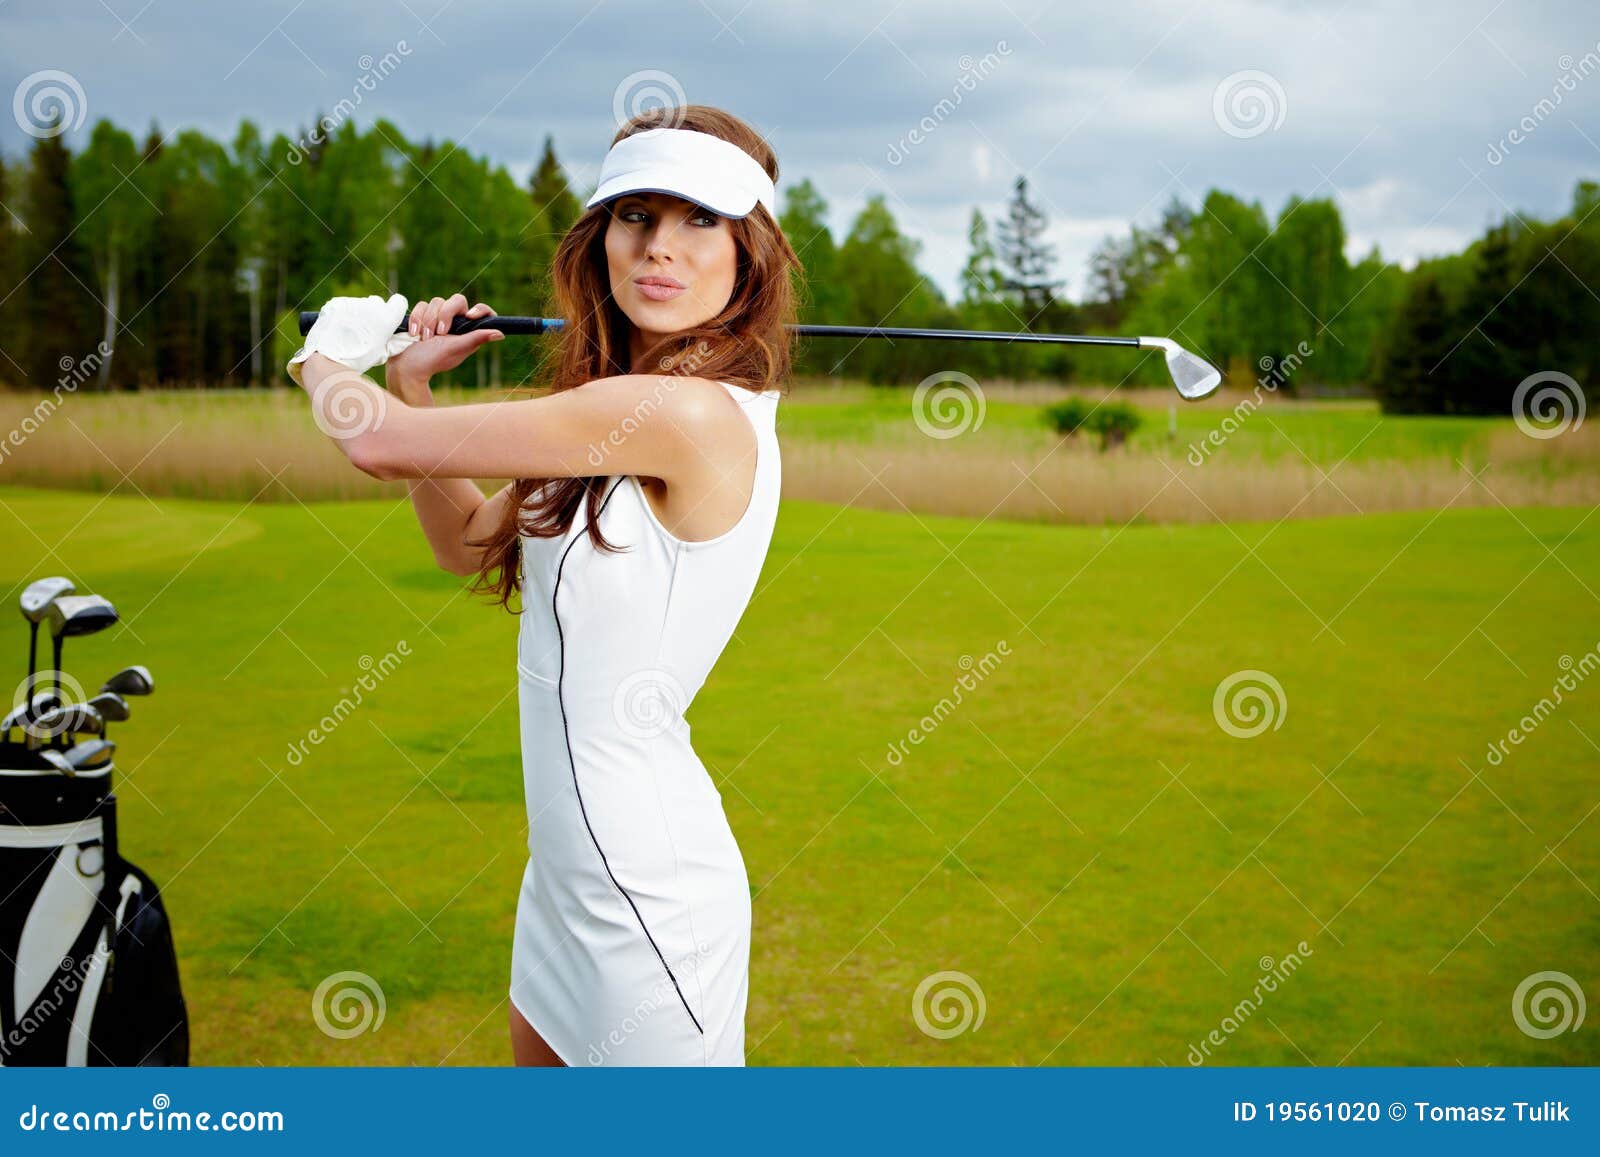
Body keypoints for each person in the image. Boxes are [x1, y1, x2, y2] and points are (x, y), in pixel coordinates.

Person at [288, 105, 800, 1065]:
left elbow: (372, 446)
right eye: (636, 216)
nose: (661, 248)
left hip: (648, 891)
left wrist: (321, 355)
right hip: (564, 877)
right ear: (598, 237)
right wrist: (412, 385)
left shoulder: (684, 414)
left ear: (750, 256)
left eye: (700, 222)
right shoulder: (608, 417)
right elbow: (469, 541)